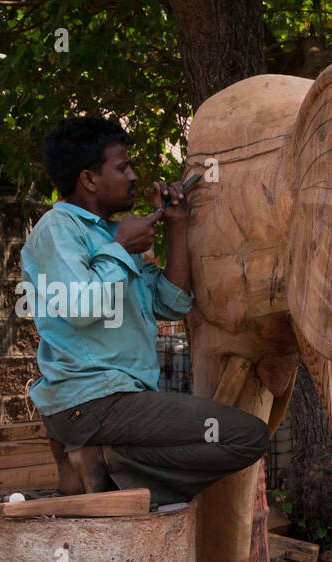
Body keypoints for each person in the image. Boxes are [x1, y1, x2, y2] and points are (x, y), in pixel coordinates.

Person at [22, 115, 267, 506]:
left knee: (241, 436)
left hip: (118, 400)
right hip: (89, 401)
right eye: (122, 167)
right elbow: (82, 306)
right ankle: (100, 459)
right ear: (88, 179)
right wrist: (121, 248)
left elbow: (172, 302)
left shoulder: (107, 233)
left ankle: (103, 468)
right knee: (244, 435)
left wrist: (177, 225)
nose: (134, 175)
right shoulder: (59, 228)